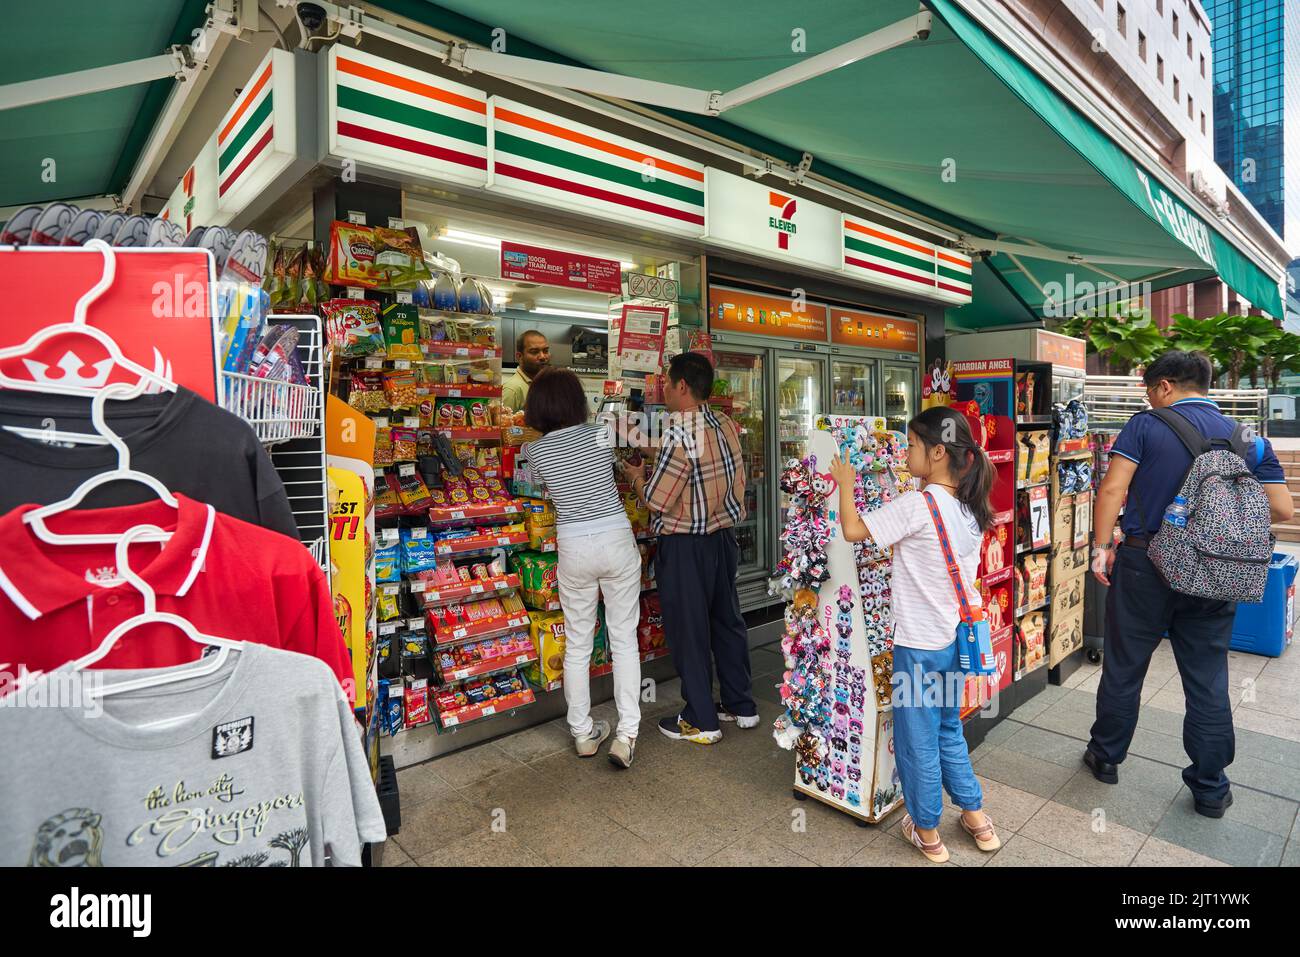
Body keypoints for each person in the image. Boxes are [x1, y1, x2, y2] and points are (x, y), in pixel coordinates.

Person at [1086, 350, 1292, 818]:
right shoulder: (1248, 440)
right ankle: (1210, 787)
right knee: (1207, 678)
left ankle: (1106, 758)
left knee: (1124, 667)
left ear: (1164, 387)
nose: (1150, 399)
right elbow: (1282, 511)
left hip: (1144, 565)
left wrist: (1101, 547)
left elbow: (1113, 490)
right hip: (1215, 573)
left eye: (1149, 391)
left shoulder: (1145, 426)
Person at [830, 406, 1001, 864]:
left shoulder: (919, 505)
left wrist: (845, 483)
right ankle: (977, 817)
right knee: (948, 729)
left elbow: (851, 530)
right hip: (953, 641)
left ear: (938, 451)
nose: (905, 452)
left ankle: (927, 831)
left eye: (910, 444)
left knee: (917, 739)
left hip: (919, 648)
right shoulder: (968, 506)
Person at [622, 352, 756, 745]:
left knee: (689, 630)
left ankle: (700, 718)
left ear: (681, 386)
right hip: (722, 540)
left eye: (667, 381)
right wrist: (645, 445)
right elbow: (687, 458)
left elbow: (659, 499)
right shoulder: (723, 423)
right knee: (726, 621)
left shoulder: (682, 430)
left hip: (684, 547)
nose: (663, 387)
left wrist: (635, 479)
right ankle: (739, 705)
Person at [523, 368, 641, 768]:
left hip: (573, 544)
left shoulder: (533, 451)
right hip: (615, 536)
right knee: (624, 638)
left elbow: (542, 489)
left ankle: (582, 733)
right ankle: (626, 734)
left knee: (577, 643)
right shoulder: (599, 432)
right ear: (577, 401)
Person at [502, 330, 550, 413]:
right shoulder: (512, 389)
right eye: (534, 352)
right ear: (519, 356)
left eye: (545, 351)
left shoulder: (542, 383)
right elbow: (503, 424)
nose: (542, 356)